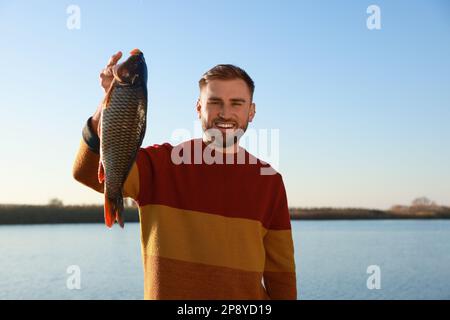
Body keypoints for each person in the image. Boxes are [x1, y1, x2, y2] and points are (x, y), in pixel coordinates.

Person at [72, 51, 297, 300]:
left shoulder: (269, 181)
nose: (225, 112)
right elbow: (86, 173)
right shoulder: (160, 164)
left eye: (236, 103)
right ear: (199, 108)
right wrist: (109, 103)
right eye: (214, 102)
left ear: (251, 112)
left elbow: (281, 275)